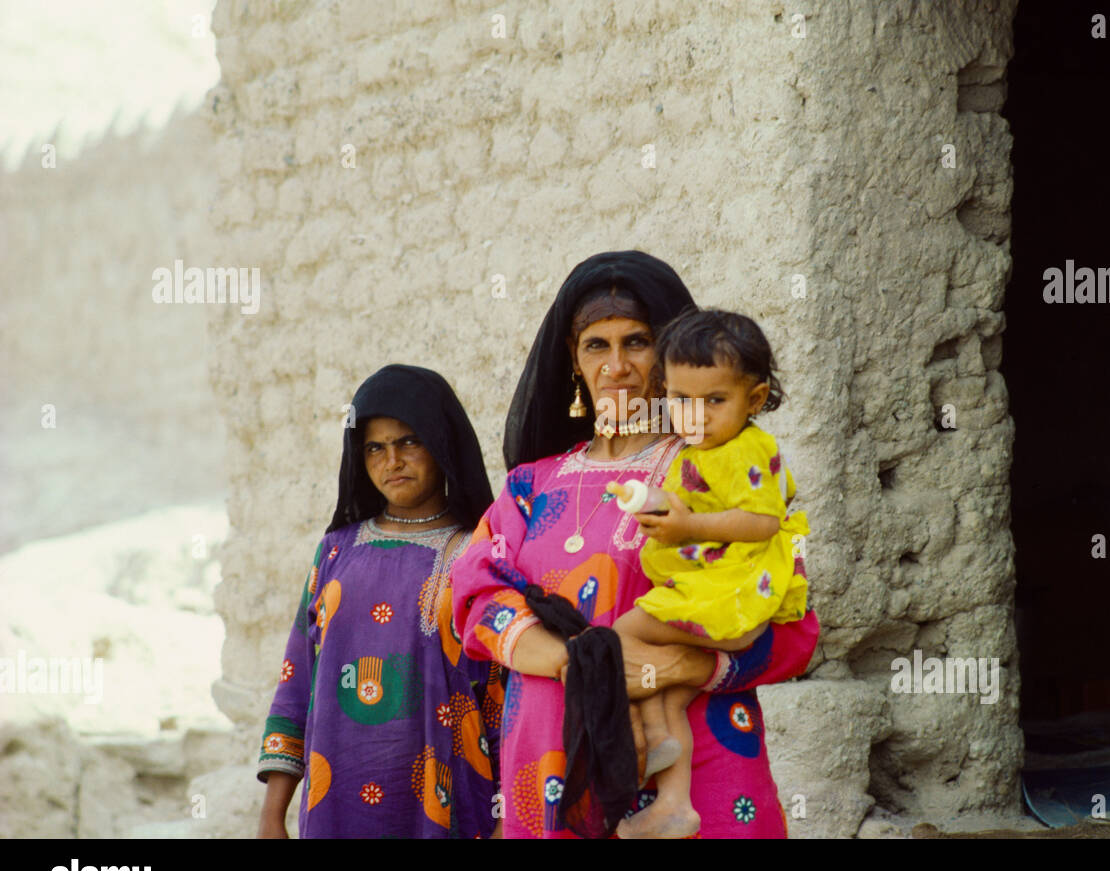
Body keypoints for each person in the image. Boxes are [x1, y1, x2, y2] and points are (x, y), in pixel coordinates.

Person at [451, 251, 820, 838]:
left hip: (700, 766)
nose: (617, 365)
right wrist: (577, 665)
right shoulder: (529, 486)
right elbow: (473, 593)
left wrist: (684, 664)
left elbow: (795, 627)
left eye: (637, 342)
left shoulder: (714, 474)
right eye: (597, 345)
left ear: (669, 358)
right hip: (553, 763)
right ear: (573, 360)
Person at [256, 365, 502, 838]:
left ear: (442, 442)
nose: (392, 460)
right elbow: (296, 682)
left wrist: (506, 816)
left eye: (408, 442)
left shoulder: (478, 552)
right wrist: (272, 814)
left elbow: (501, 695)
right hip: (337, 808)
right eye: (375, 447)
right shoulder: (334, 553)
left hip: (445, 805)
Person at [611, 309, 811, 838]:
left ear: (757, 399)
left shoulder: (749, 447)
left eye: (714, 401)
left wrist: (687, 526)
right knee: (670, 688)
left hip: (736, 595)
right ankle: (673, 801)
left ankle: (649, 736)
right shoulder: (699, 451)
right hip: (719, 592)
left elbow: (763, 519)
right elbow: (687, 505)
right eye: (680, 401)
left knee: (621, 636)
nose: (694, 416)